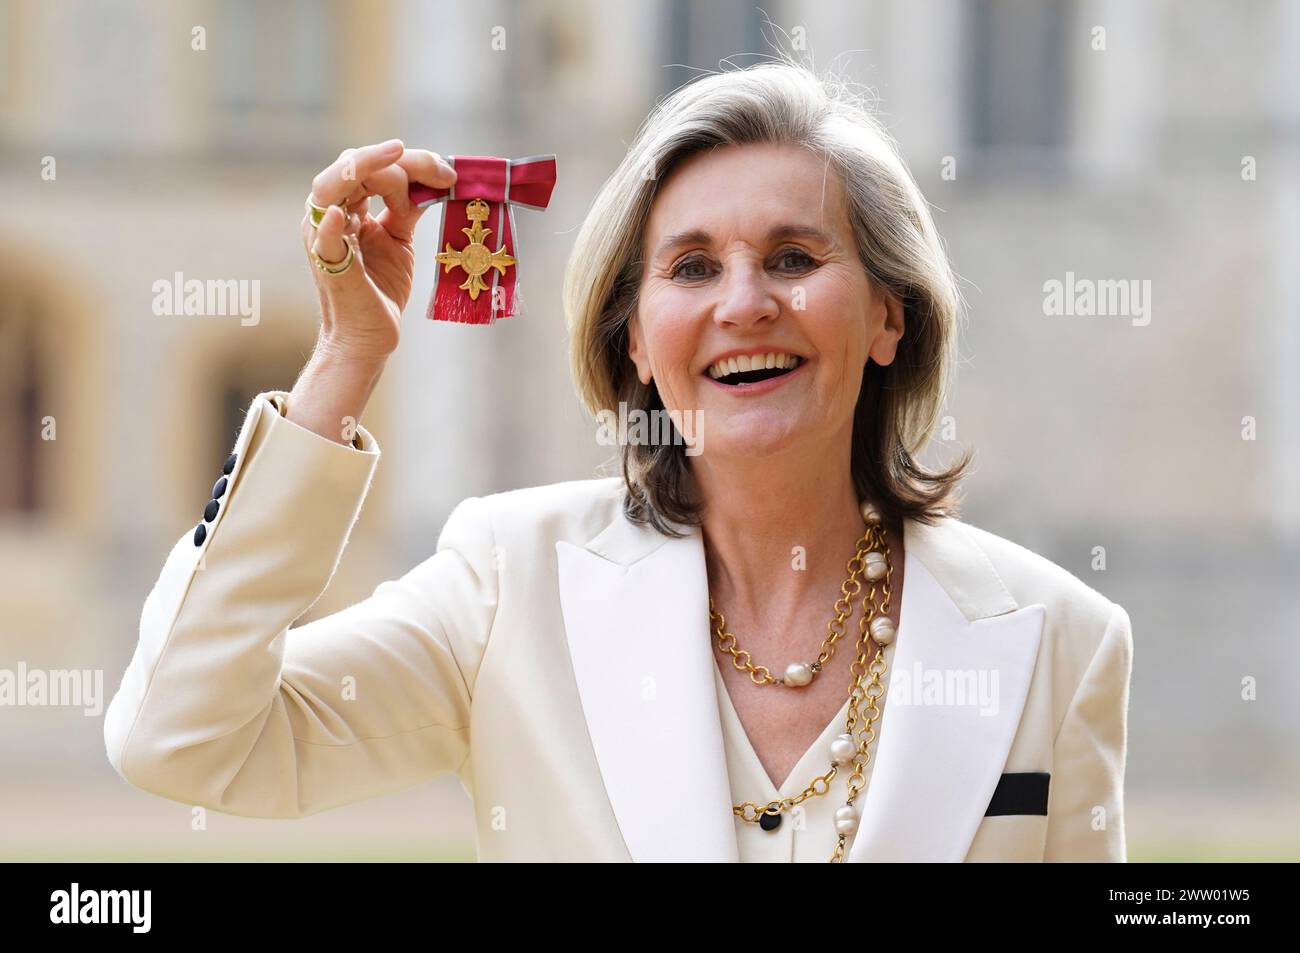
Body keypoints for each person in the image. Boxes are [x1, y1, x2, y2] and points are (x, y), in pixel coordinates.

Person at [103, 61, 1132, 862]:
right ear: (635, 340)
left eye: (792, 257)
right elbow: (182, 735)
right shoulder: (509, 580)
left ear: (887, 316)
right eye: (690, 267)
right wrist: (344, 360)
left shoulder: (1062, 640)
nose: (743, 303)